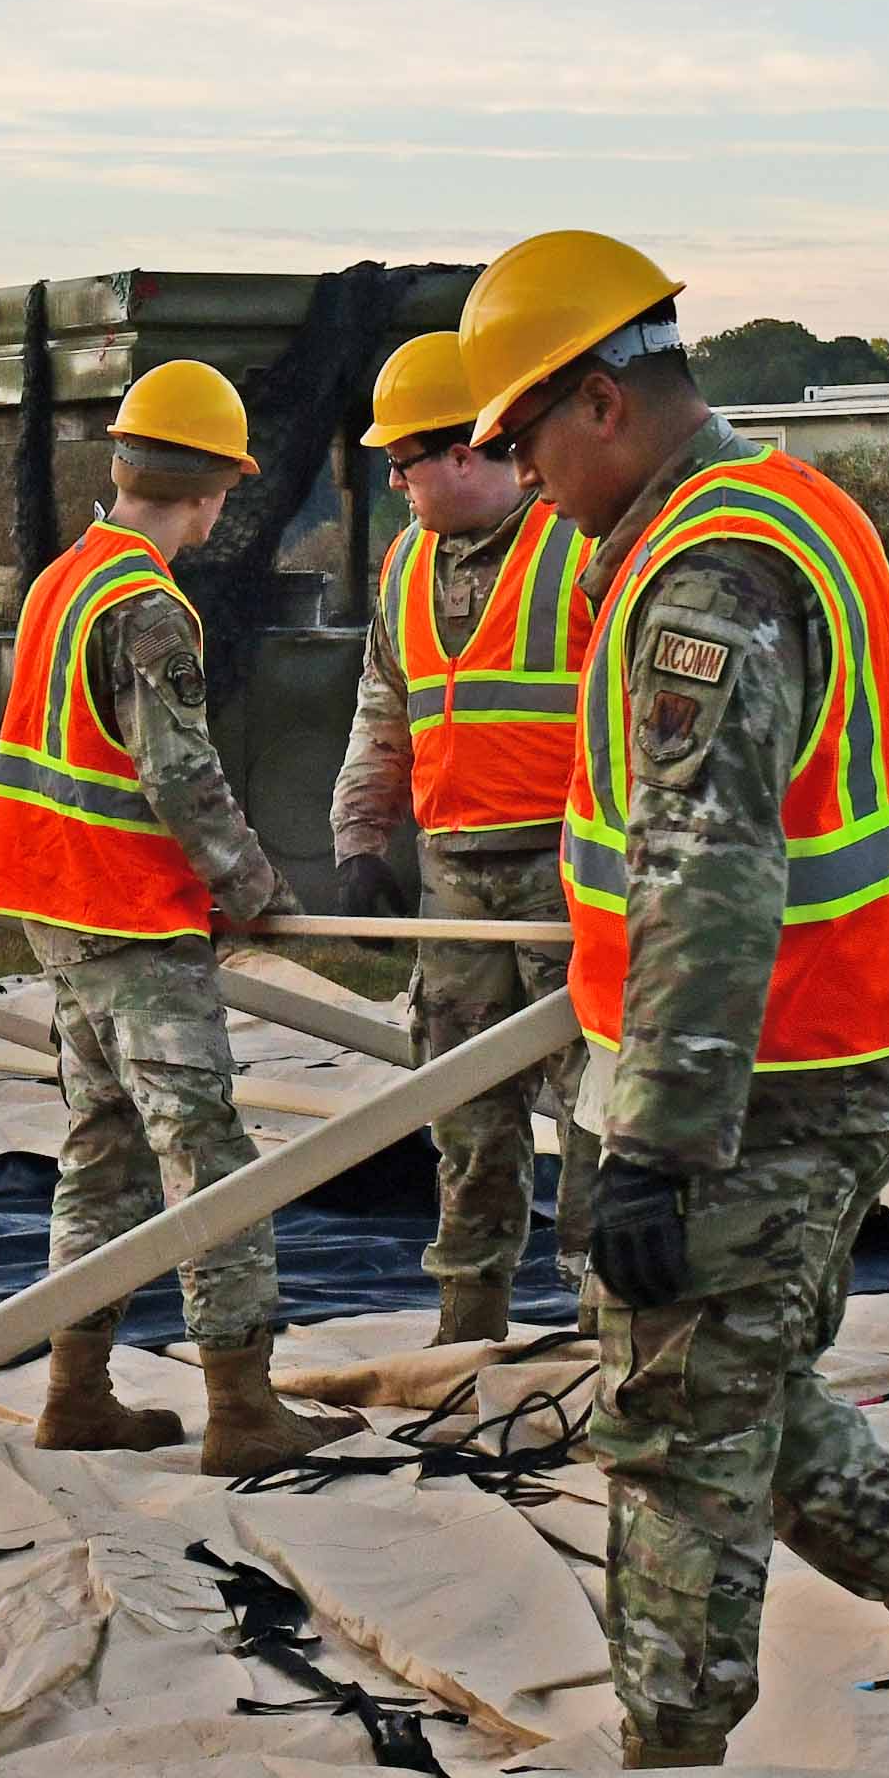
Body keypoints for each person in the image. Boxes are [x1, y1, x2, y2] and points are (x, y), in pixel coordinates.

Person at [461, 230, 889, 1778]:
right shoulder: (776, 507)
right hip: (815, 1046)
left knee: (678, 1437)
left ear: (605, 406)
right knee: (735, 1386)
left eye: (523, 439)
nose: (521, 478)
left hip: (773, 1074)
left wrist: (659, 1144)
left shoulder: (712, 572)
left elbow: (708, 872)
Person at [0, 357, 309, 1476]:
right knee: (208, 1155)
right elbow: (180, 775)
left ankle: (76, 1387)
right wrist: (253, 888)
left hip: (55, 911)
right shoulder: (148, 608)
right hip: (127, 915)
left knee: (103, 1156)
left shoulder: (63, 578)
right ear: (213, 490)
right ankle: (243, 1404)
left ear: (123, 464)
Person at [327, 327, 589, 1340]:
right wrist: (360, 843)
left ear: (467, 453)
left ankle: (605, 1324)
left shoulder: (580, 550)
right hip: (455, 885)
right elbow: (380, 714)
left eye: (404, 463)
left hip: (566, 884)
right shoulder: (404, 569)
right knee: (465, 1115)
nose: (396, 483)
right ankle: (468, 1318)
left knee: (595, 1113)